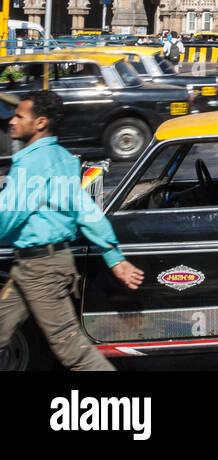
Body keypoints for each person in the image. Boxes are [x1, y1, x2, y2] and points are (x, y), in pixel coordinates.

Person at [0, 92, 145, 370]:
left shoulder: (31, 163)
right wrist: (115, 258)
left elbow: (7, 214)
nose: (12, 121)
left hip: (40, 269)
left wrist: (116, 258)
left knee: (72, 350)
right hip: (39, 266)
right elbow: (86, 211)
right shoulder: (63, 158)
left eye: (20, 116)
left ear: (40, 122)